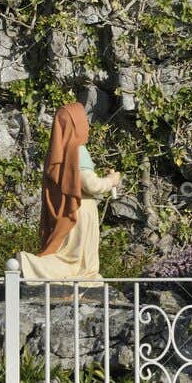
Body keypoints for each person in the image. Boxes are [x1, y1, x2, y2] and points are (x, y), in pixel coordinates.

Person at [18, 101, 122, 283]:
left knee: (71, 254)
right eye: (84, 120)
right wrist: (110, 181)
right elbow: (91, 185)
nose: (87, 125)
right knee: (75, 258)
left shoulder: (58, 151)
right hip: (80, 209)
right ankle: (30, 264)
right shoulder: (77, 150)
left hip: (70, 208)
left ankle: (34, 268)